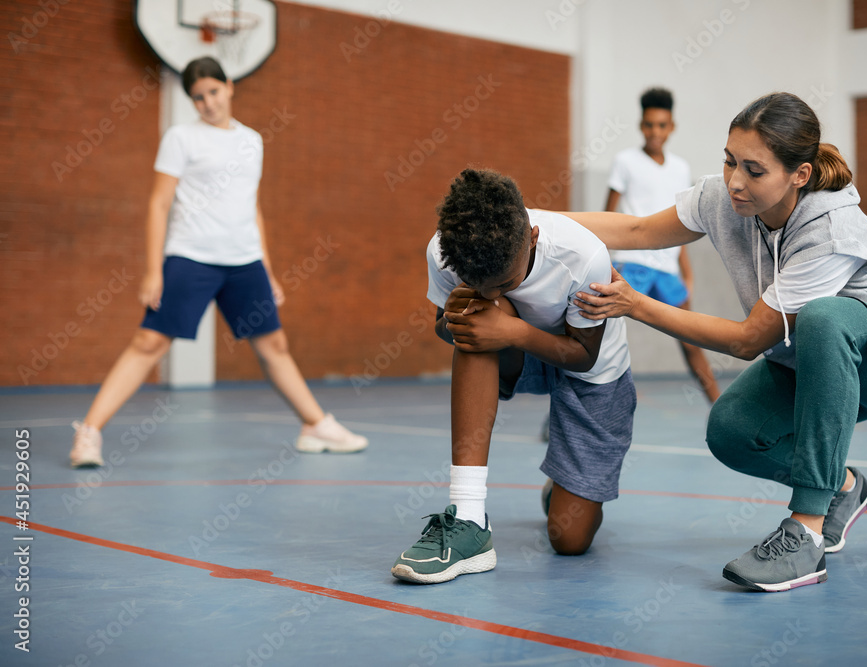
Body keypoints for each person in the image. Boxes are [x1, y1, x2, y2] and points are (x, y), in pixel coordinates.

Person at [564, 92, 867, 592]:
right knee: (732, 429)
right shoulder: (722, 199)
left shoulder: (829, 226)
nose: (735, 181)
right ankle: (845, 488)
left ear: (799, 175)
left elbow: (747, 342)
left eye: (753, 170)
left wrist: (635, 304)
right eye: (728, 161)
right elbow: (635, 228)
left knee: (824, 317)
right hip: (808, 359)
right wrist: (534, 219)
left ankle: (807, 533)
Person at [69, 57, 367, 468]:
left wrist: (267, 267)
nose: (207, 103)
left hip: (244, 261)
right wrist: (154, 269)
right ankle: (89, 434)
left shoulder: (253, 141)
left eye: (212, 92)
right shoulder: (180, 138)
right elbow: (158, 204)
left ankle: (315, 425)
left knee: (274, 345)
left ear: (229, 86)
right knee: (149, 342)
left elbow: (253, 207)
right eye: (197, 97)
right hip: (190, 257)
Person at [391, 169, 635, 584]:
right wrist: (459, 321)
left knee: (569, 540)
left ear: (533, 238)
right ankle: (468, 516)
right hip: (515, 352)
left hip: (591, 368)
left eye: (503, 283)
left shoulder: (583, 255)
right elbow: (440, 324)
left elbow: (583, 356)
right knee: (473, 319)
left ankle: (560, 488)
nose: (490, 294)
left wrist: (512, 331)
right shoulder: (448, 249)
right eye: (477, 284)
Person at [606, 87, 719, 403]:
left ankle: (720, 407)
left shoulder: (681, 169)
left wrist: (686, 272)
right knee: (596, 336)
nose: (655, 131)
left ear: (672, 127)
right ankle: (562, 415)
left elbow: (679, 226)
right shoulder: (624, 161)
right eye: (648, 125)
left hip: (666, 270)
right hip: (630, 264)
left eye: (661, 125)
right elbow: (607, 215)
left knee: (690, 339)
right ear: (641, 125)